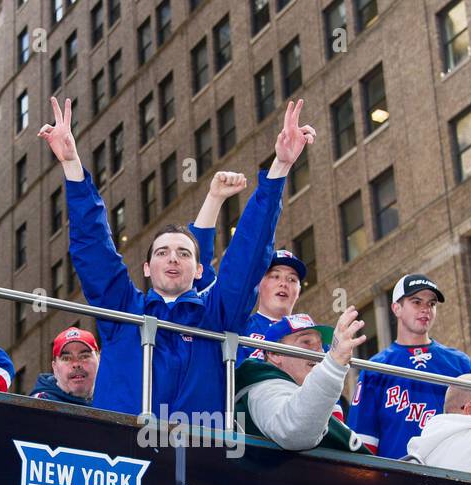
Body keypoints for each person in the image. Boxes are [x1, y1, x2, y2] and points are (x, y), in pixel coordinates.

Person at [40, 95, 314, 418]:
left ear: (199, 269)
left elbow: (248, 257)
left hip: (197, 455)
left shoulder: (216, 316)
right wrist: (71, 165)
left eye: (183, 253)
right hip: (124, 455)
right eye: (162, 252)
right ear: (146, 267)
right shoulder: (123, 311)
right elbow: (94, 248)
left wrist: (279, 168)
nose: (172, 259)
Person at [348, 273, 471, 459]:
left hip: (454, 474)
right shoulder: (376, 367)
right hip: (398, 478)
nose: (426, 309)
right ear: (396, 308)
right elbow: (362, 444)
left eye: (431, 304)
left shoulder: (459, 363)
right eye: (416, 302)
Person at [234, 309, 368, 453]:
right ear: (274, 354)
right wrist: (333, 366)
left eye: (321, 345)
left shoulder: (296, 394)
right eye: (306, 342)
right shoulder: (263, 389)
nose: (319, 352)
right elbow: (294, 431)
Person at [238, 249, 309, 362]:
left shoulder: (311, 336)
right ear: (259, 284)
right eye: (275, 276)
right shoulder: (239, 327)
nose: (283, 284)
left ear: (299, 291)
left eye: (292, 279)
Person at [31, 326, 100, 406]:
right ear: (55, 368)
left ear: (99, 361)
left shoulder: (114, 400)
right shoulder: (38, 407)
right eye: (67, 358)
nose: (76, 364)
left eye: (84, 356)